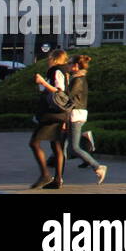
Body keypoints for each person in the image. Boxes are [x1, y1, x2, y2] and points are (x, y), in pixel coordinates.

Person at [29, 49, 71, 189]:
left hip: (52, 114)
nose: (48, 60)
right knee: (56, 145)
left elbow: (60, 91)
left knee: (34, 142)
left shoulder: (57, 70)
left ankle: (46, 175)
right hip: (59, 114)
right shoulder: (64, 71)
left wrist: (43, 82)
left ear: (55, 58)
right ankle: (58, 179)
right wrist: (42, 84)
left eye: (50, 57)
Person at [65, 55, 107, 184]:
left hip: (76, 114)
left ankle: (97, 166)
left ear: (76, 66)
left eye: (70, 63)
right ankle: (84, 138)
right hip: (76, 113)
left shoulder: (78, 80)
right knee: (66, 144)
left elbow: (67, 96)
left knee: (74, 148)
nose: (68, 65)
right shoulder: (77, 78)